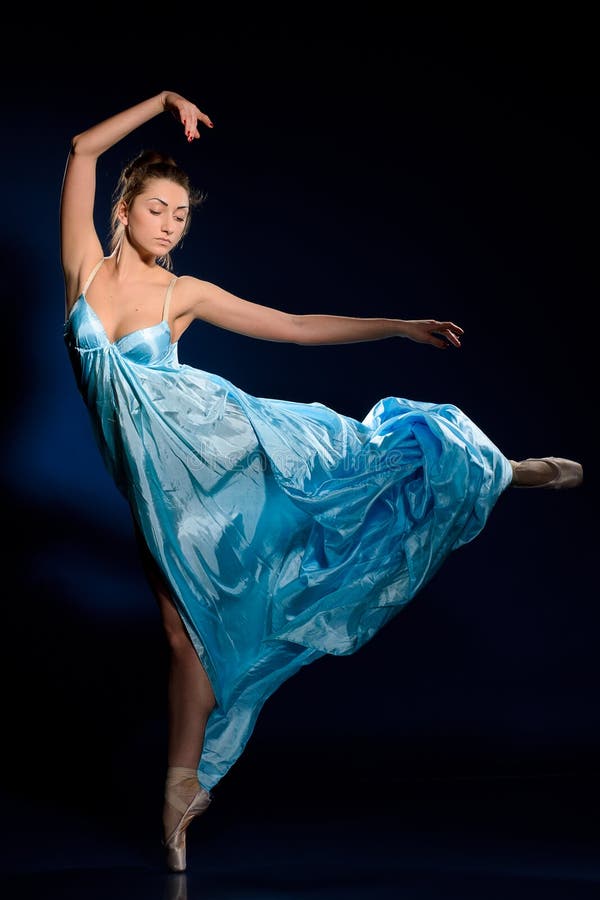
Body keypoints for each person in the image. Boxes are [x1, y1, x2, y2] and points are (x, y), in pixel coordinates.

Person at [60, 90, 583, 872]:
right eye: (158, 210)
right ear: (124, 209)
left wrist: (396, 326)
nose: (169, 225)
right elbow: (81, 149)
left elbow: (296, 328)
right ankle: (183, 790)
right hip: (160, 492)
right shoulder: (83, 269)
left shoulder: (182, 293)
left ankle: (496, 469)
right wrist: (163, 99)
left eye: (182, 216)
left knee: (349, 472)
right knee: (181, 634)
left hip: (223, 455)